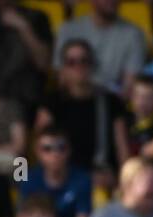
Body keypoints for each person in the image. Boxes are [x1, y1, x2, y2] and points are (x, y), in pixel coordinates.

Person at [36, 39, 129, 188]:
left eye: (84, 61)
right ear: (63, 68)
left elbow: (123, 150)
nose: (78, 67)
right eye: (71, 62)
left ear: (92, 65)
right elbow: (42, 148)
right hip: (64, 178)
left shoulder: (111, 101)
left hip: (102, 178)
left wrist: (123, 181)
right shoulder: (51, 102)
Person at [53, 0, 148, 97]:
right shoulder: (68, 30)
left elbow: (129, 85)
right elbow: (62, 79)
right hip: (73, 100)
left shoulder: (134, 34)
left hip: (112, 102)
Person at [18, 126, 94, 217]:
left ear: (69, 150)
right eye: (47, 149)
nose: (55, 154)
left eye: (61, 148)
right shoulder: (27, 179)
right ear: (37, 152)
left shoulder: (82, 180)